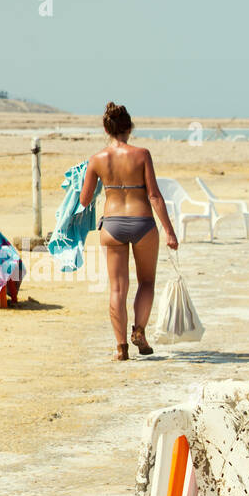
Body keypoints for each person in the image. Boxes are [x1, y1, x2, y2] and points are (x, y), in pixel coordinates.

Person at [80, 102, 178, 360]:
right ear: (130, 127)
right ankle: (140, 331)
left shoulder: (97, 159)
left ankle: (121, 348)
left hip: (112, 225)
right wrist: (169, 231)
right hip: (143, 223)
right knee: (147, 281)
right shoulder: (142, 154)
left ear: (106, 128)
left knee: (116, 289)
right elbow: (155, 196)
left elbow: (84, 199)